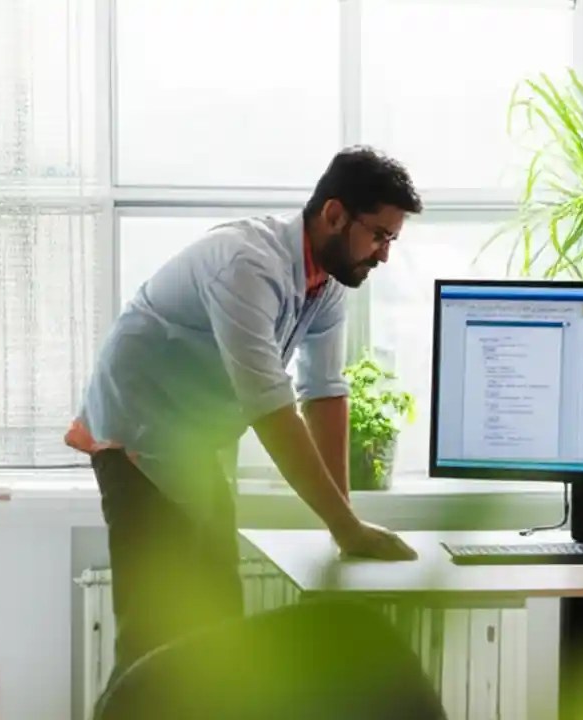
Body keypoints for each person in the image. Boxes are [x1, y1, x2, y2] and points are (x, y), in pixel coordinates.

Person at [66, 145, 423, 687]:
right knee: (151, 638)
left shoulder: (326, 285)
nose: (384, 255)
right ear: (334, 214)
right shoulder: (247, 265)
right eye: (378, 236)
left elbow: (324, 394)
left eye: (391, 240)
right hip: (137, 432)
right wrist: (345, 527)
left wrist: (343, 522)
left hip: (194, 442)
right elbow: (271, 408)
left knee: (219, 627)